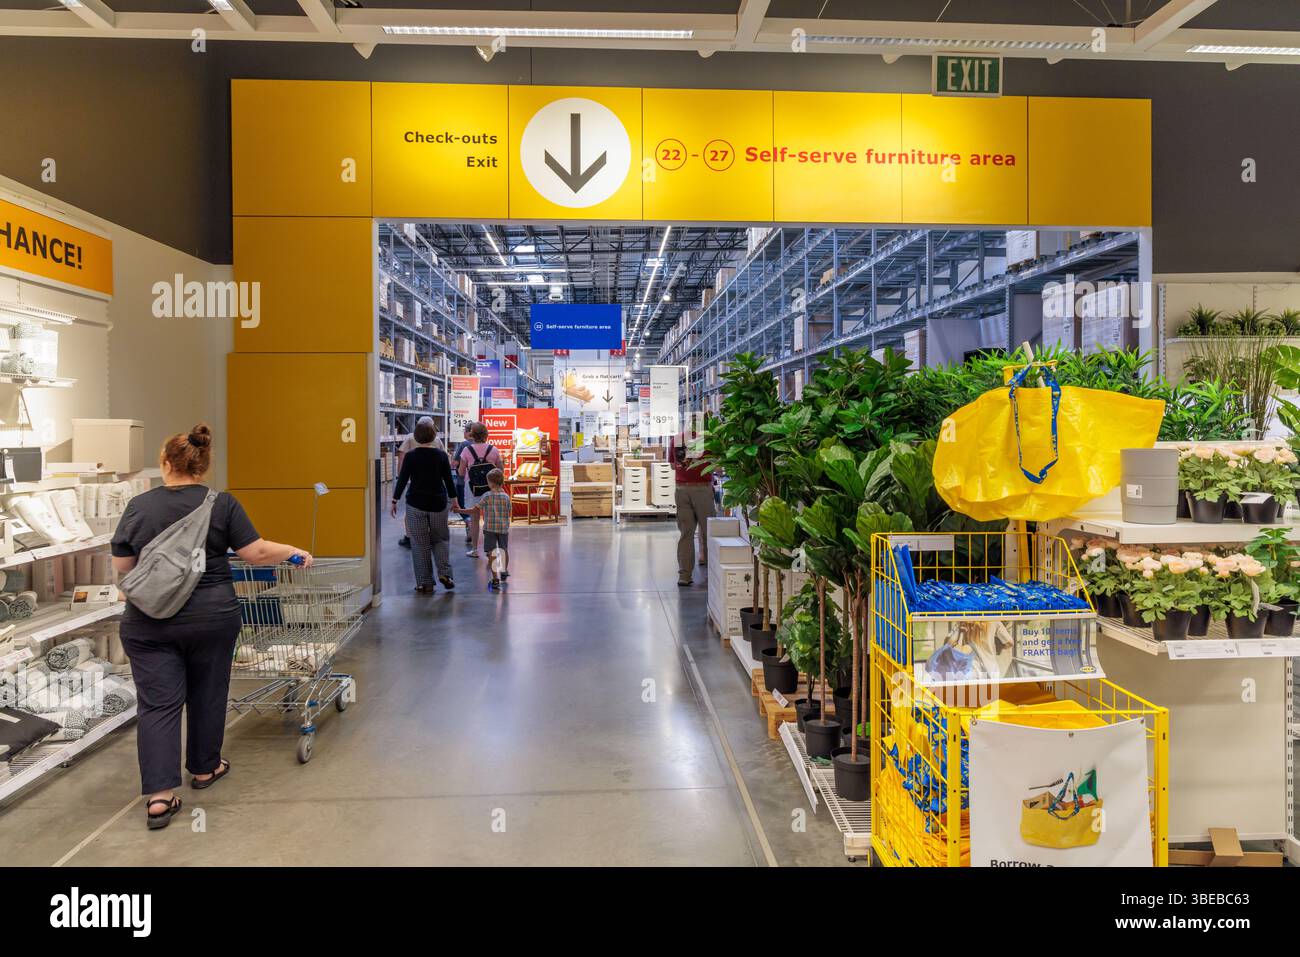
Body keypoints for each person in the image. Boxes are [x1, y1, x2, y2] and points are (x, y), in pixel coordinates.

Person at [110, 424, 313, 831]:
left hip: (150, 622)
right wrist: (293, 552)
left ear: (165, 463)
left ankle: (160, 797)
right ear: (202, 466)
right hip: (211, 616)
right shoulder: (221, 505)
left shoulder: (139, 506)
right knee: (208, 692)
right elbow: (254, 552)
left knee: (159, 704)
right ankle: (205, 768)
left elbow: (123, 568)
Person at [389, 419, 460, 593]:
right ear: (434, 436)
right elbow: (448, 480)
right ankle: (445, 574)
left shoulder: (411, 456)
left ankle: (425, 582)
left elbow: (403, 478)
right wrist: (454, 499)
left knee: (419, 543)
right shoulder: (441, 456)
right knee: (441, 539)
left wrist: (394, 500)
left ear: (416, 437)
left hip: (416, 503)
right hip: (438, 503)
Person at [669, 432, 715, 587]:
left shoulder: (675, 439)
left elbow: (671, 465)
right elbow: (718, 466)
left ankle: (684, 575)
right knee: (708, 532)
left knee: (686, 533)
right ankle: (713, 573)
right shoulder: (708, 440)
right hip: (702, 489)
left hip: (681, 489)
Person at [457, 421, 502, 558]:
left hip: (472, 488)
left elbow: (461, 472)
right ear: (486, 435)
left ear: (472, 435)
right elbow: (500, 470)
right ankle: (490, 550)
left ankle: (475, 550)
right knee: (490, 519)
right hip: (491, 488)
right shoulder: (493, 450)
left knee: (475, 518)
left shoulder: (466, 450)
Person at [395, 416, 437, 549]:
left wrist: (401, 475)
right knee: (431, 508)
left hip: (414, 479)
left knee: (411, 508)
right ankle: (428, 536)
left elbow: (402, 456)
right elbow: (443, 459)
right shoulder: (436, 439)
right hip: (433, 480)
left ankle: (409, 537)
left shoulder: (409, 437)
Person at [469, 468, 512, 589]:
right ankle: (504, 570)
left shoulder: (487, 496)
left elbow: (475, 509)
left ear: (491, 483)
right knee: (504, 549)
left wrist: (459, 510)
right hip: (503, 528)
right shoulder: (506, 497)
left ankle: (495, 579)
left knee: (492, 552)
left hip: (490, 529)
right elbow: (509, 510)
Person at [451, 423, 474, 541]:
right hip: (477, 483)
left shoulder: (464, 445)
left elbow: (455, 463)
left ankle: (469, 523)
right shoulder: (484, 445)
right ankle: (471, 528)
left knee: (459, 504)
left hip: (463, 480)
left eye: (464, 431)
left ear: (469, 432)